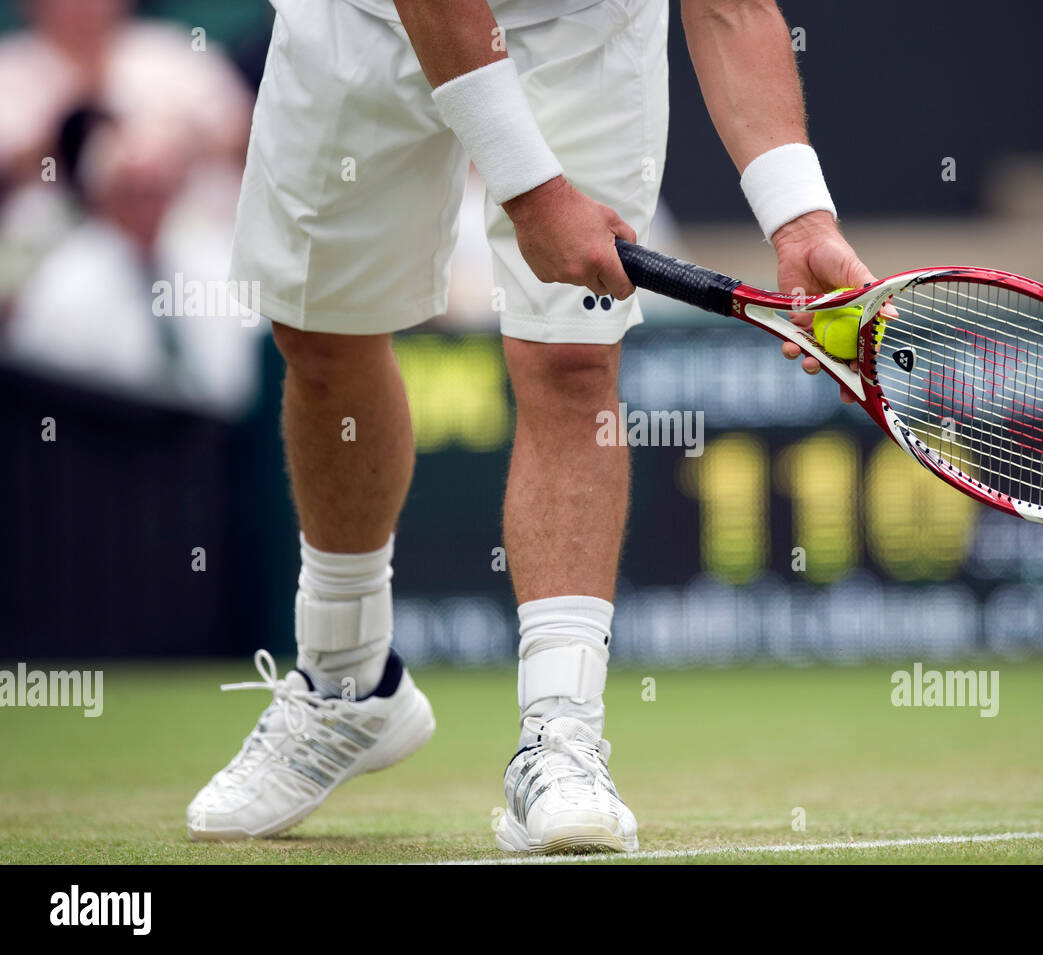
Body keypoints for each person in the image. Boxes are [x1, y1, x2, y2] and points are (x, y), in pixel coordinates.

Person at [186, 0, 873, 854]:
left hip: (584, 22)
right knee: (322, 337)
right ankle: (345, 678)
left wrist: (798, 214)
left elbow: (729, 5)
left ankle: (562, 735)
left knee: (572, 358)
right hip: (363, 15)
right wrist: (534, 191)